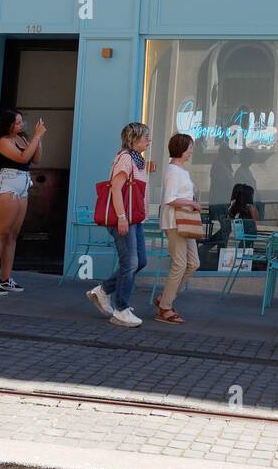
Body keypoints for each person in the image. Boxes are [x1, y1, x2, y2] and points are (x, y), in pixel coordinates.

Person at [86, 122, 151, 328]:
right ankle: (121, 309)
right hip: (125, 219)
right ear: (133, 139)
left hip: (134, 218)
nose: (148, 140)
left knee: (139, 261)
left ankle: (103, 290)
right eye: (145, 137)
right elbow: (116, 189)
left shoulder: (136, 160)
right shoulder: (125, 159)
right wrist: (122, 217)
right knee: (129, 262)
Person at [0, 108, 45, 295]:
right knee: (0, 233)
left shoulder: (22, 139)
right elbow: (22, 157)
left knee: (12, 234)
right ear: (8, 124)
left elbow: (35, 158)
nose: (21, 125)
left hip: (22, 184)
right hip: (6, 184)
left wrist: (37, 138)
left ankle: (5, 277)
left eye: (21, 122)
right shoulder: (3, 141)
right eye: (17, 122)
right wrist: (36, 137)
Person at [154, 132, 201, 324]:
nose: (191, 151)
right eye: (189, 147)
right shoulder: (174, 170)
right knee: (181, 264)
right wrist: (192, 204)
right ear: (181, 149)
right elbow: (169, 199)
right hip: (175, 222)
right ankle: (165, 308)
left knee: (193, 263)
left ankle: (166, 298)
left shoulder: (180, 170)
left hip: (183, 221)